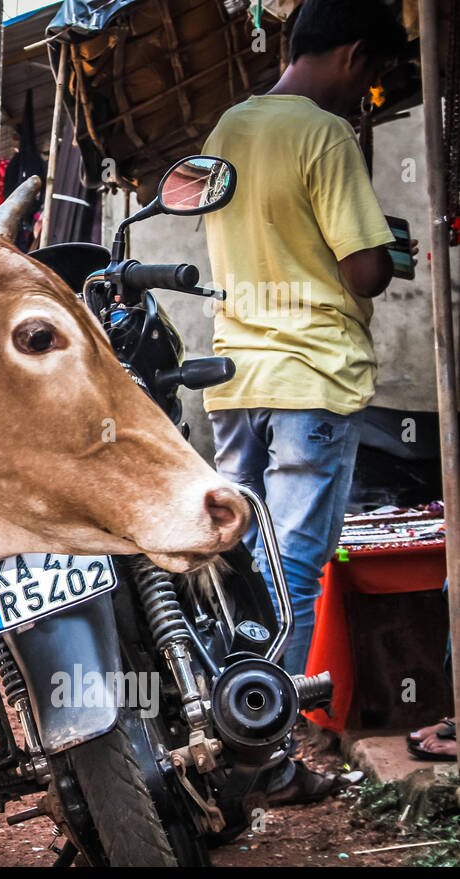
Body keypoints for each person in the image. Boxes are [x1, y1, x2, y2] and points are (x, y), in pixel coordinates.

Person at [202, 0, 412, 679]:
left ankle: (224, 716)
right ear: (354, 56)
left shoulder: (226, 129)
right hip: (311, 377)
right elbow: (365, 271)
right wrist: (385, 244)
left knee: (237, 561)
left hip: (234, 377)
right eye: (372, 76)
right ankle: (265, 745)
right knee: (291, 565)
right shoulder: (325, 135)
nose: (366, 96)